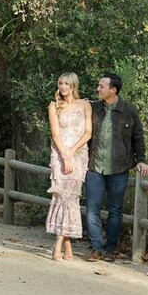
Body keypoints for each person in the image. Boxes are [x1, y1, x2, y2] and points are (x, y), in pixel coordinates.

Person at [85, 73, 148, 262]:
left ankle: (110, 249)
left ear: (113, 90)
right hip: (95, 167)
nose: (98, 89)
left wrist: (142, 160)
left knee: (115, 210)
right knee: (92, 208)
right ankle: (96, 247)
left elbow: (138, 137)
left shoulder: (129, 110)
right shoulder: (93, 108)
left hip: (119, 168)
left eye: (101, 86)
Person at [45, 73, 92, 261]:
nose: (63, 87)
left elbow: (88, 132)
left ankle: (62, 244)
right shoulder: (54, 106)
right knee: (60, 197)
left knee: (71, 198)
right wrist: (65, 156)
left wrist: (72, 152)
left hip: (79, 155)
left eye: (66, 83)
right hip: (59, 155)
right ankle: (63, 244)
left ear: (73, 85)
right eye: (61, 83)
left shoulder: (85, 105)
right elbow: (55, 135)